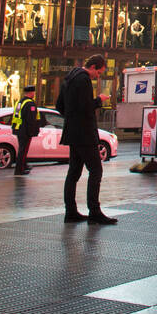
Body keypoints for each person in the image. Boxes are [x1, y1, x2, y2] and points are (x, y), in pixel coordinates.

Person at [58, 54, 116, 224]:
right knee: (96, 170)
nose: (98, 76)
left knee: (73, 173)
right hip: (84, 134)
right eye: (99, 73)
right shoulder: (83, 80)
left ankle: (70, 211)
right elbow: (85, 107)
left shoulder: (69, 78)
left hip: (72, 132)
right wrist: (99, 100)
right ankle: (95, 212)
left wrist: (71, 118)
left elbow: (59, 105)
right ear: (93, 67)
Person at [12, 84, 44, 176]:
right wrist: (32, 131)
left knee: (22, 149)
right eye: (33, 92)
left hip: (18, 128)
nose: (34, 94)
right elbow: (31, 119)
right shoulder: (30, 103)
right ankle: (20, 169)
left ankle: (23, 166)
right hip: (25, 130)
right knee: (23, 150)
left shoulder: (20, 102)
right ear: (31, 93)